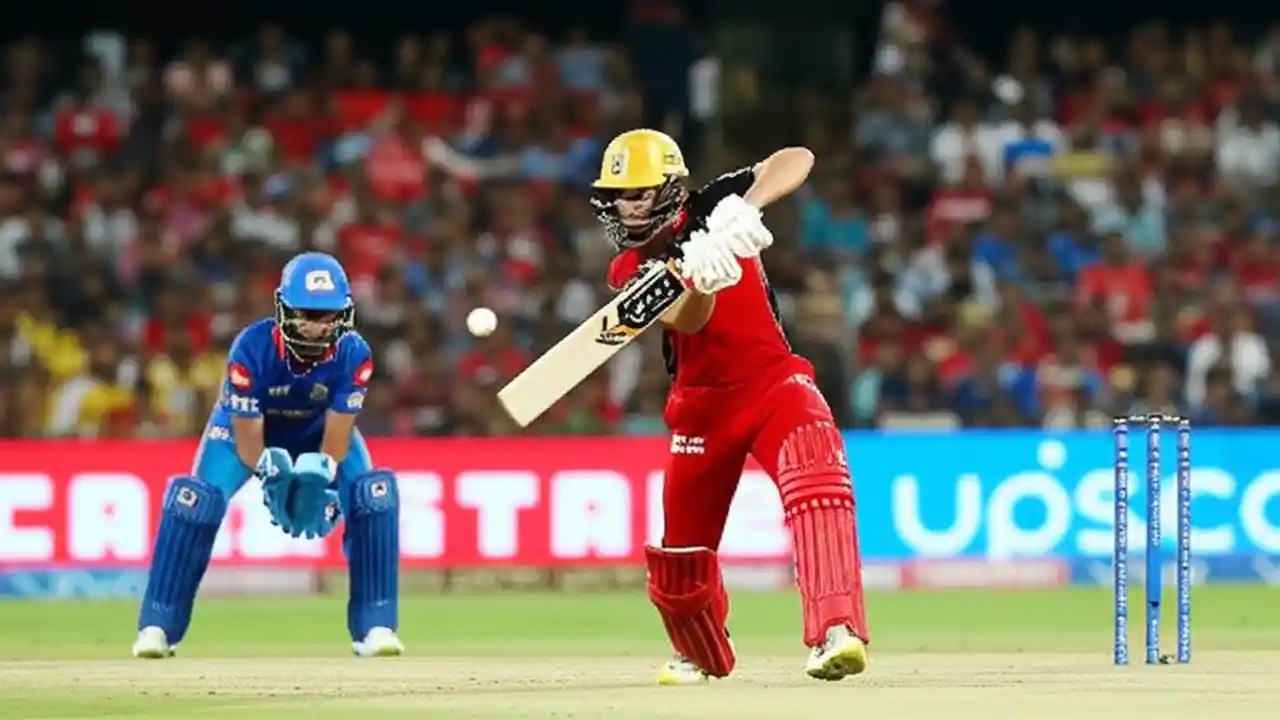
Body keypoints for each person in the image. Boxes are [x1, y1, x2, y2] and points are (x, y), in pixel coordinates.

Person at [591, 129, 869, 683]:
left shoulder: (715, 204)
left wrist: (745, 207)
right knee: (678, 563)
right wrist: (701, 279)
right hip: (700, 411)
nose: (631, 204)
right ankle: (701, 652)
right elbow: (688, 319)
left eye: (642, 192)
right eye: (622, 194)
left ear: (671, 187)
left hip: (774, 384)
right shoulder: (627, 269)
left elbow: (797, 157)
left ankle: (837, 631)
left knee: (819, 482)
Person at [131, 252, 403, 658]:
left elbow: (338, 434)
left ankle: (376, 626)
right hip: (245, 433)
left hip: (316, 430)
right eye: (307, 314)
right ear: (283, 309)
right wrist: (272, 476)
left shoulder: (355, 353)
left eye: (328, 316)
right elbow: (246, 440)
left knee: (374, 493)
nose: (316, 327)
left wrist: (319, 475)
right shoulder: (252, 349)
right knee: (194, 502)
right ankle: (158, 627)